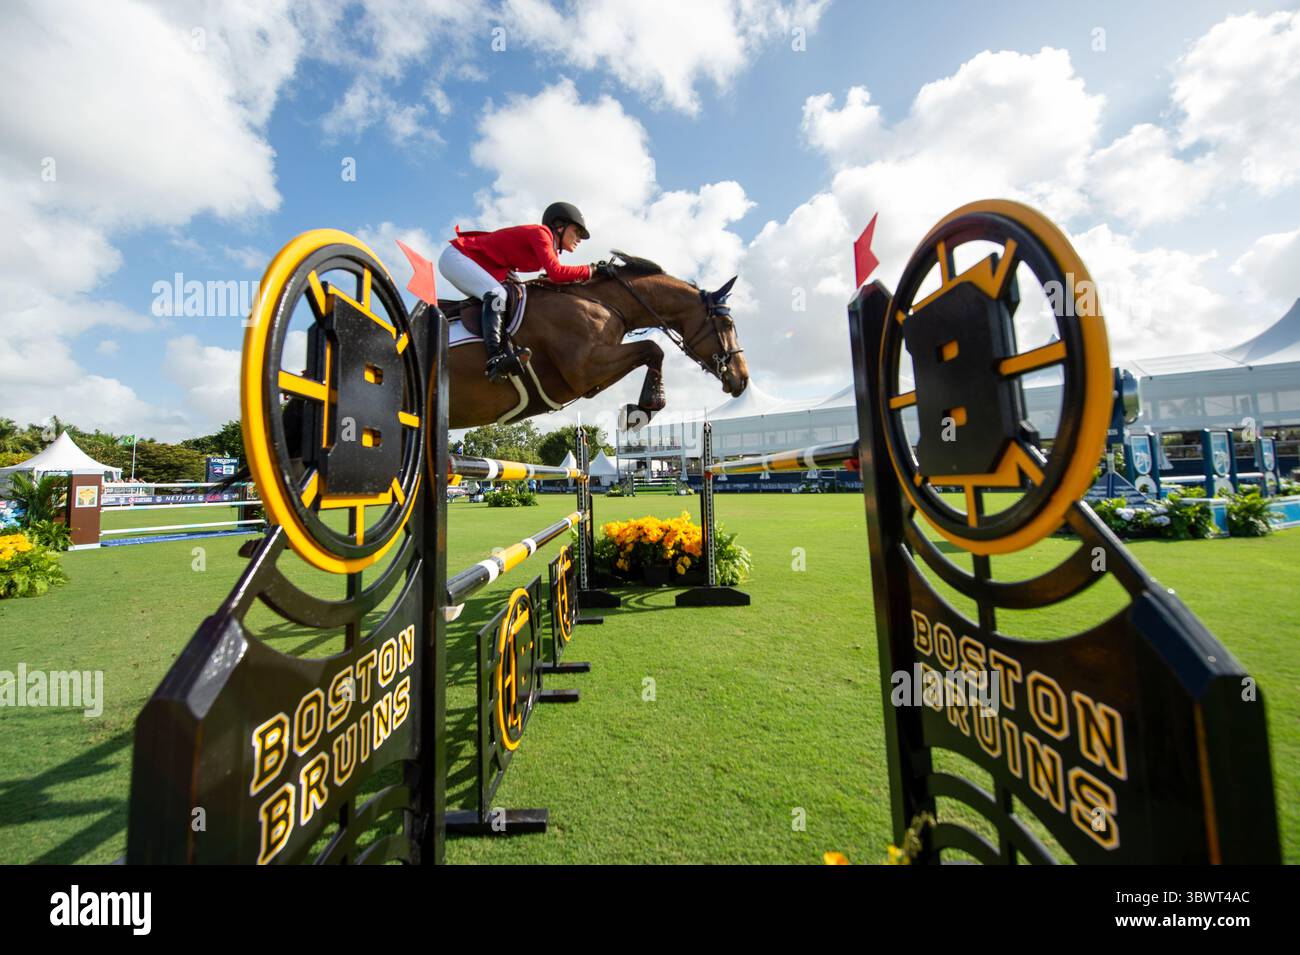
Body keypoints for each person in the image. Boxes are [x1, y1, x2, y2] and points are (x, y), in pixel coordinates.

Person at [439, 201, 599, 383]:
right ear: (559, 226)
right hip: (457, 257)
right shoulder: (542, 234)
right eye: (576, 232)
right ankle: (494, 358)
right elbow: (557, 273)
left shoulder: (549, 246)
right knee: (497, 293)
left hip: (474, 262)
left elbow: (548, 277)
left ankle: (505, 350)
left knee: (513, 295)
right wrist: (590, 270)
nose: (578, 239)